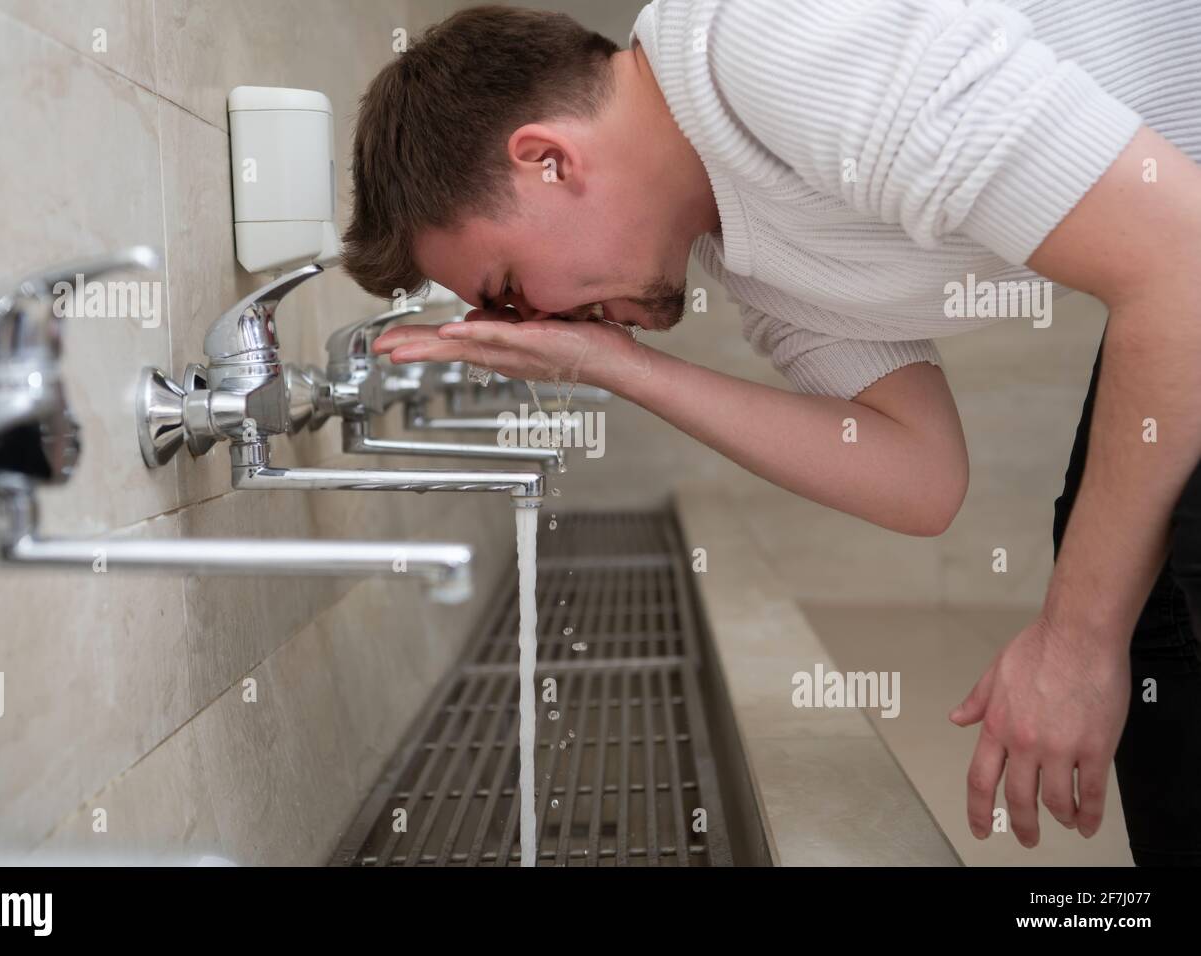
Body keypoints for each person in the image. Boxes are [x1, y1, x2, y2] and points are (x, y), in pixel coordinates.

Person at [340, 1, 1201, 865]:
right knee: (1150, 601)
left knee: (1146, 593)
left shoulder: (767, 40)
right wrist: (615, 367)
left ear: (548, 162)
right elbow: (922, 479)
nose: (532, 325)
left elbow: (1181, 264)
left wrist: (1072, 646)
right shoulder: (749, 256)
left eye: (509, 290)